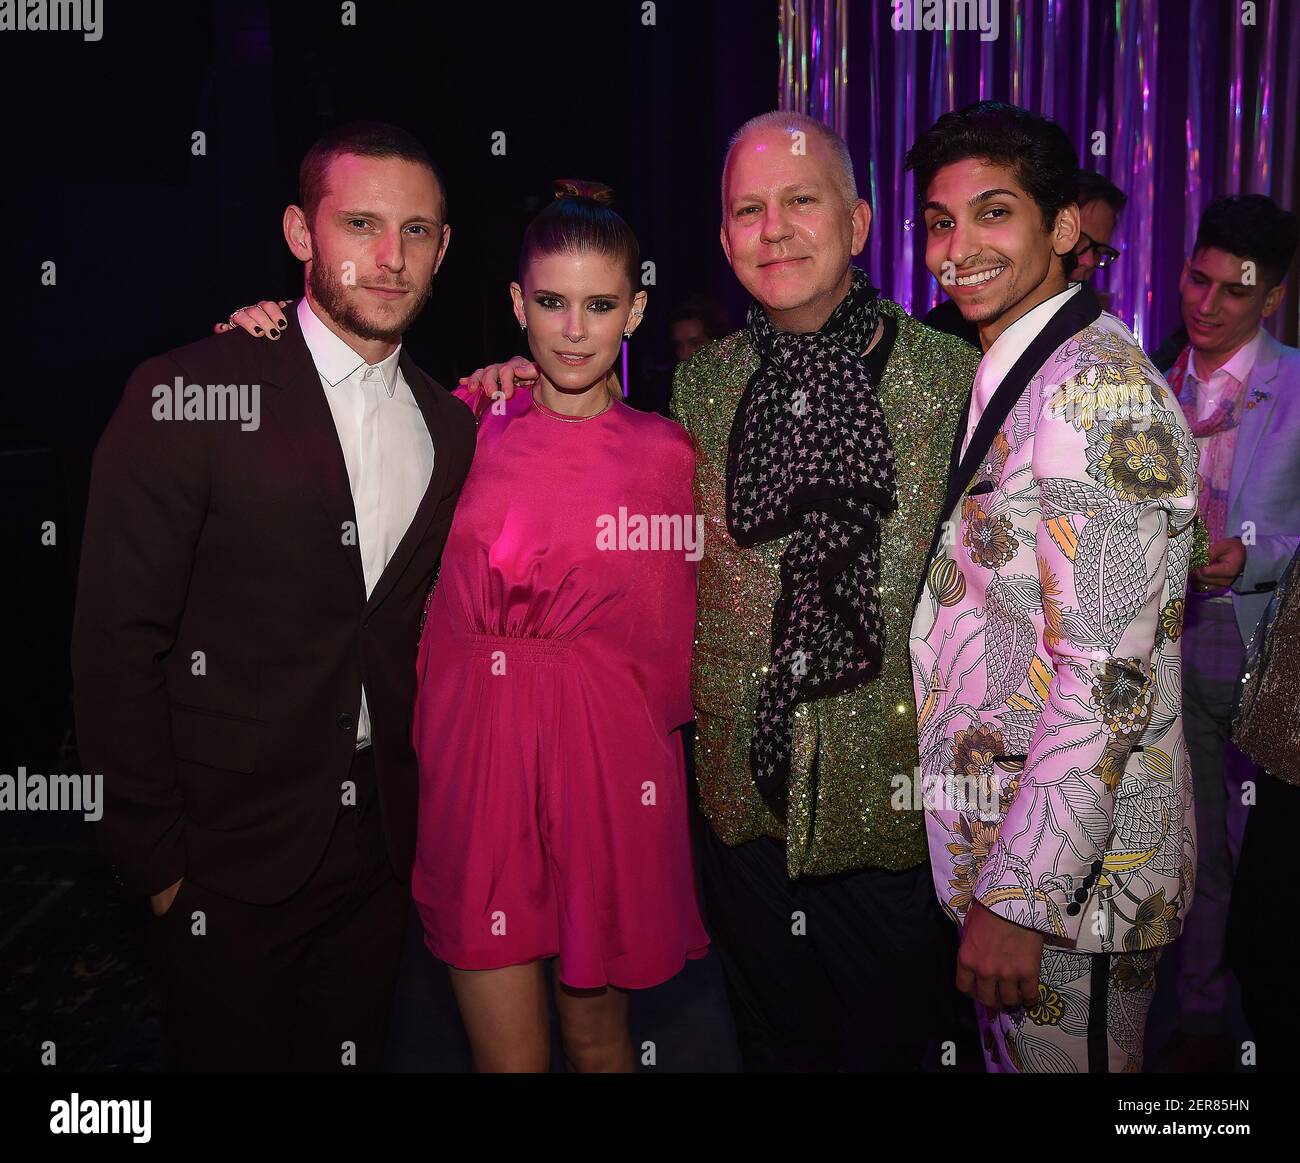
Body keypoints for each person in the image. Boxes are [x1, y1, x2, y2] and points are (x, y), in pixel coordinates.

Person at [461, 111, 981, 1072]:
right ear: (723, 239)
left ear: (860, 223)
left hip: (899, 821)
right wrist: (510, 385)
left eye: (800, 201)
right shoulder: (701, 388)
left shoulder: (960, 382)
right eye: (749, 208)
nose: (773, 228)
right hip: (741, 814)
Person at [224, 179, 710, 1074]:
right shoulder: (461, 423)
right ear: (518, 304)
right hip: (474, 765)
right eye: (553, 303)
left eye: (600, 304)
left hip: (606, 777)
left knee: (602, 1044)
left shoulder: (669, 455)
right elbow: (338, 421)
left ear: (636, 310)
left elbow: (682, 636)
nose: (573, 328)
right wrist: (262, 336)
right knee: (506, 1059)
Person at [72, 121, 476, 1070]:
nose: (389, 257)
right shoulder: (189, 395)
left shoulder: (453, 427)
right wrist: (157, 864)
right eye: (362, 224)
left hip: (380, 855)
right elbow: (114, 644)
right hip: (223, 859)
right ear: (301, 233)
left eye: (416, 231)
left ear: (444, 248)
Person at [906, 101, 1200, 1073]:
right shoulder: (1028, 367)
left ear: (1062, 229)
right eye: (941, 221)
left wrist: (1019, 897)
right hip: (1030, 863)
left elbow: (1108, 677)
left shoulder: (1096, 391)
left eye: (993, 213)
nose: (958, 247)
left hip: (1080, 894)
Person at [1158, 193, 1300, 1072]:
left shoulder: (1295, 386)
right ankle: (1202, 1012)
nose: (1204, 305)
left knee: (1263, 857)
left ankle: (1253, 1012)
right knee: (1192, 841)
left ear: (1271, 296)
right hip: (1169, 645)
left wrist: (1245, 554)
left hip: (1263, 650)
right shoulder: (1159, 381)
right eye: (1194, 279)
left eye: (1231, 292)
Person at [926, 169, 1126, 348]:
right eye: (944, 224)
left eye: (1099, 251)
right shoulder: (943, 333)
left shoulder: (1102, 344)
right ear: (1059, 226)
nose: (1089, 262)